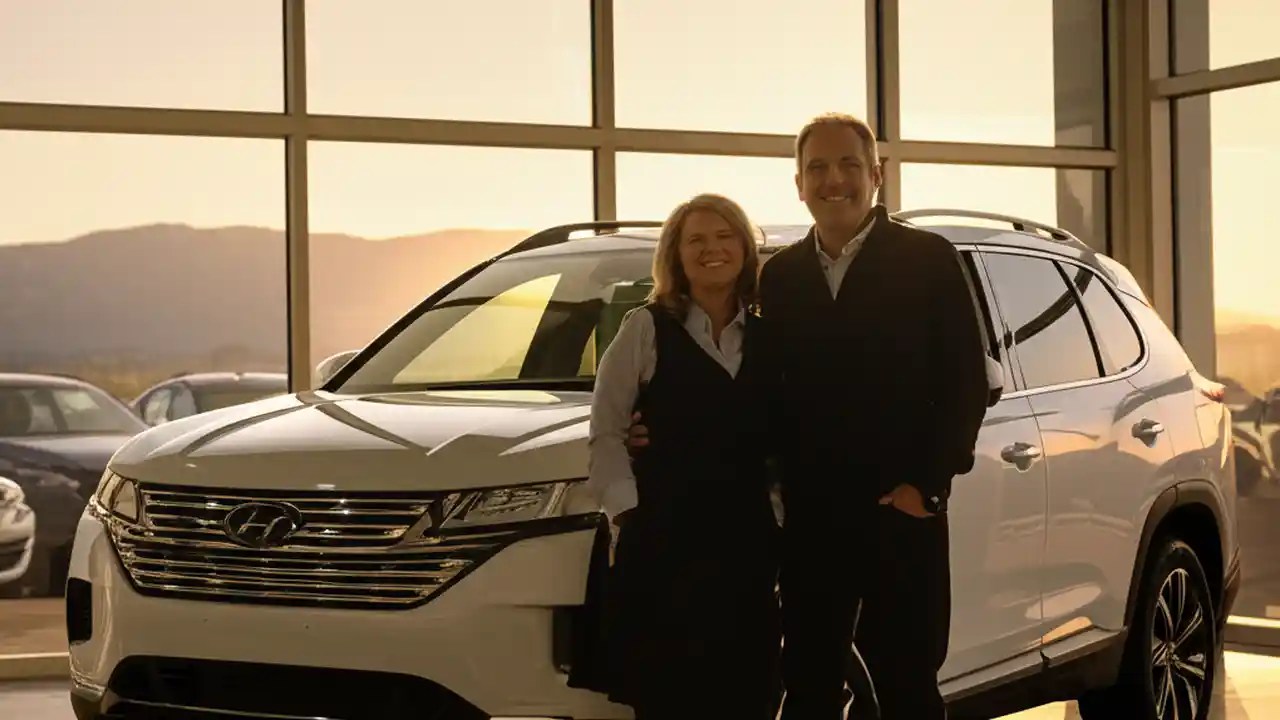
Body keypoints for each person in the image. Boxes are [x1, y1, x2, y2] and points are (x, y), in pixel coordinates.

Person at [629, 113, 991, 720]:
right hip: (811, 522)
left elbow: (965, 382)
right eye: (818, 168)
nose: (834, 180)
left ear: (876, 174)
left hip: (898, 512)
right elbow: (753, 389)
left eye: (849, 165)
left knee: (907, 685)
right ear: (798, 183)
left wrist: (927, 487)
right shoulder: (782, 276)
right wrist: (655, 425)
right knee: (808, 683)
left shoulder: (928, 259)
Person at [586, 192, 782, 720]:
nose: (711, 249)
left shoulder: (771, 337)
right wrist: (628, 513)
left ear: (744, 248)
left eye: (724, 237)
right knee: (669, 697)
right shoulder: (644, 329)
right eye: (696, 239)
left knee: (748, 694)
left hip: (748, 548)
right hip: (665, 546)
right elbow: (605, 431)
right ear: (675, 254)